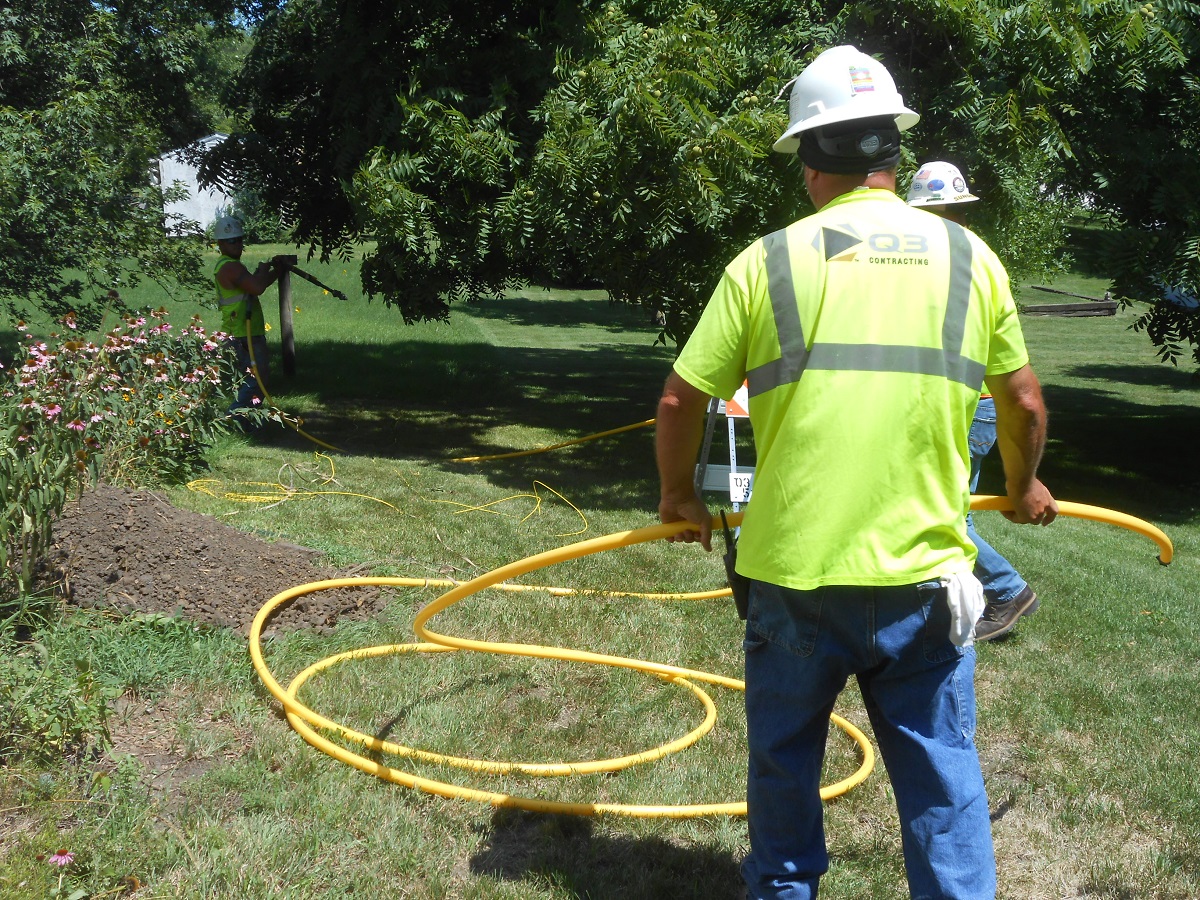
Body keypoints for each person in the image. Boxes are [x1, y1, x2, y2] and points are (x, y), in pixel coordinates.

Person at [654, 45, 1057, 899]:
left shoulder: (766, 262)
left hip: (794, 574)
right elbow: (1022, 402)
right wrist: (1023, 488)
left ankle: (784, 887)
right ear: (893, 152)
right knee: (941, 775)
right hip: (923, 575)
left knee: (784, 761)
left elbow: (681, 401)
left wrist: (679, 495)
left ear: (810, 158)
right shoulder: (969, 258)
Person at [907, 162, 1040, 641]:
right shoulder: (974, 259)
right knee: (950, 508)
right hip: (976, 405)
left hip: (967, 405)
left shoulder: (936, 265)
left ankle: (1007, 590)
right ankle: (973, 594)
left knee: (944, 513)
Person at [212, 215, 284, 412]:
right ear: (221, 243)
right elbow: (257, 287)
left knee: (256, 380)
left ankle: (245, 420)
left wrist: (276, 271)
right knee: (256, 382)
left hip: (243, 331)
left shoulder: (230, 265)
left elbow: (254, 286)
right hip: (242, 334)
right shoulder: (230, 266)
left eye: (239, 239)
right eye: (231, 241)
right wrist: (263, 269)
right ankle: (236, 418)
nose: (237, 244)